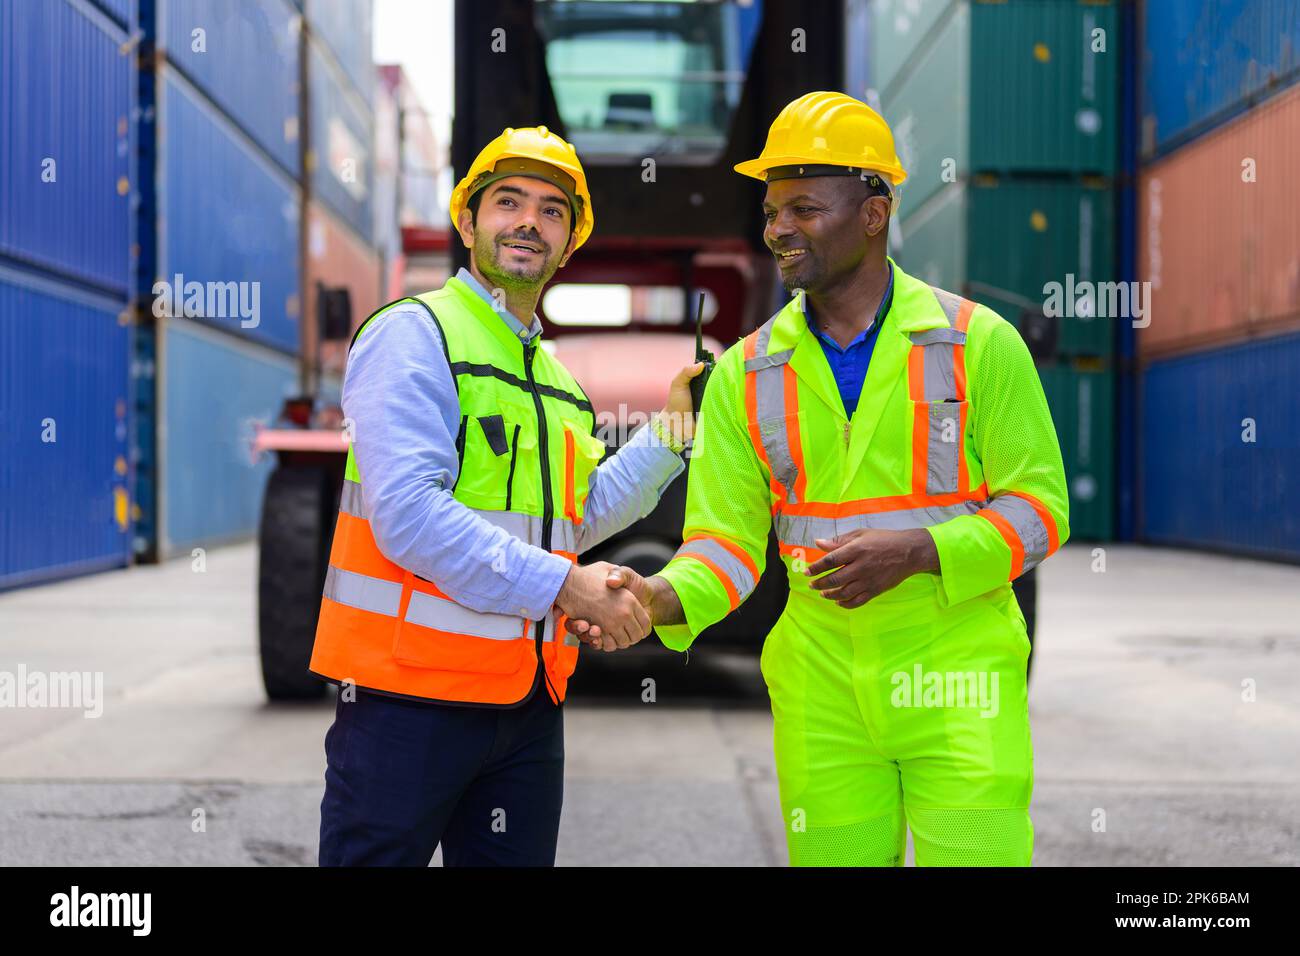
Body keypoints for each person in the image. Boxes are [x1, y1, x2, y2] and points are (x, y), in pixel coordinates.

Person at [568, 92, 1070, 866]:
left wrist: (919, 552)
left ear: (874, 213)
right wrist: (658, 596)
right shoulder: (743, 373)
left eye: (803, 208)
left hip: (958, 684)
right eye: (771, 212)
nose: (778, 231)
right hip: (820, 690)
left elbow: (1041, 510)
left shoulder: (978, 342)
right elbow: (726, 546)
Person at [310, 125, 701, 866]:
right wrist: (569, 587)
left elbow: (575, 518)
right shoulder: (415, 336)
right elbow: (410, 519)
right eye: (508, 201)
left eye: (553, 210)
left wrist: (673, 432)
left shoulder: (558, 385)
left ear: (570, 241)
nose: (529, 221)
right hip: (406, 704)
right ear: (468, 221)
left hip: (525, 706)